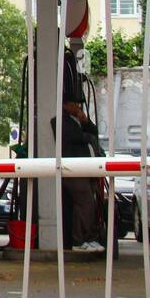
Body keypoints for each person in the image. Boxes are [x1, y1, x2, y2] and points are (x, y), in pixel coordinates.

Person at [59, 99, 105, 253]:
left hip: (86, 169)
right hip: (73, 170)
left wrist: (85, 121)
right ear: (65, 105)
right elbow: (81, 137)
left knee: (90, 204)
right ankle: (79, 240)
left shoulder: (76, 120)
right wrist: (87, 133)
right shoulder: (61, 121)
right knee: (84, 204)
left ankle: (89, 237)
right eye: (73, 104)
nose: (77, 107)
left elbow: (94, 132)